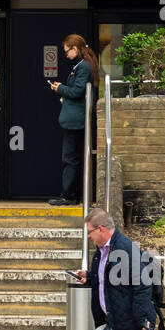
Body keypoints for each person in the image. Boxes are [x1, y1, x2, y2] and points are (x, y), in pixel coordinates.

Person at [47, 33, 99, 207]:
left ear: (75, 49)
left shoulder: (83, 67)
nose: (66, 54)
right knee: (73, 158)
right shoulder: (82, 65)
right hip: (76, 119)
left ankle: (68, 195)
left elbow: (77, 91)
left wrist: (60, 88)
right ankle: (72, 195)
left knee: (70, 158)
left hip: (76, 120)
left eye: (67, 51)